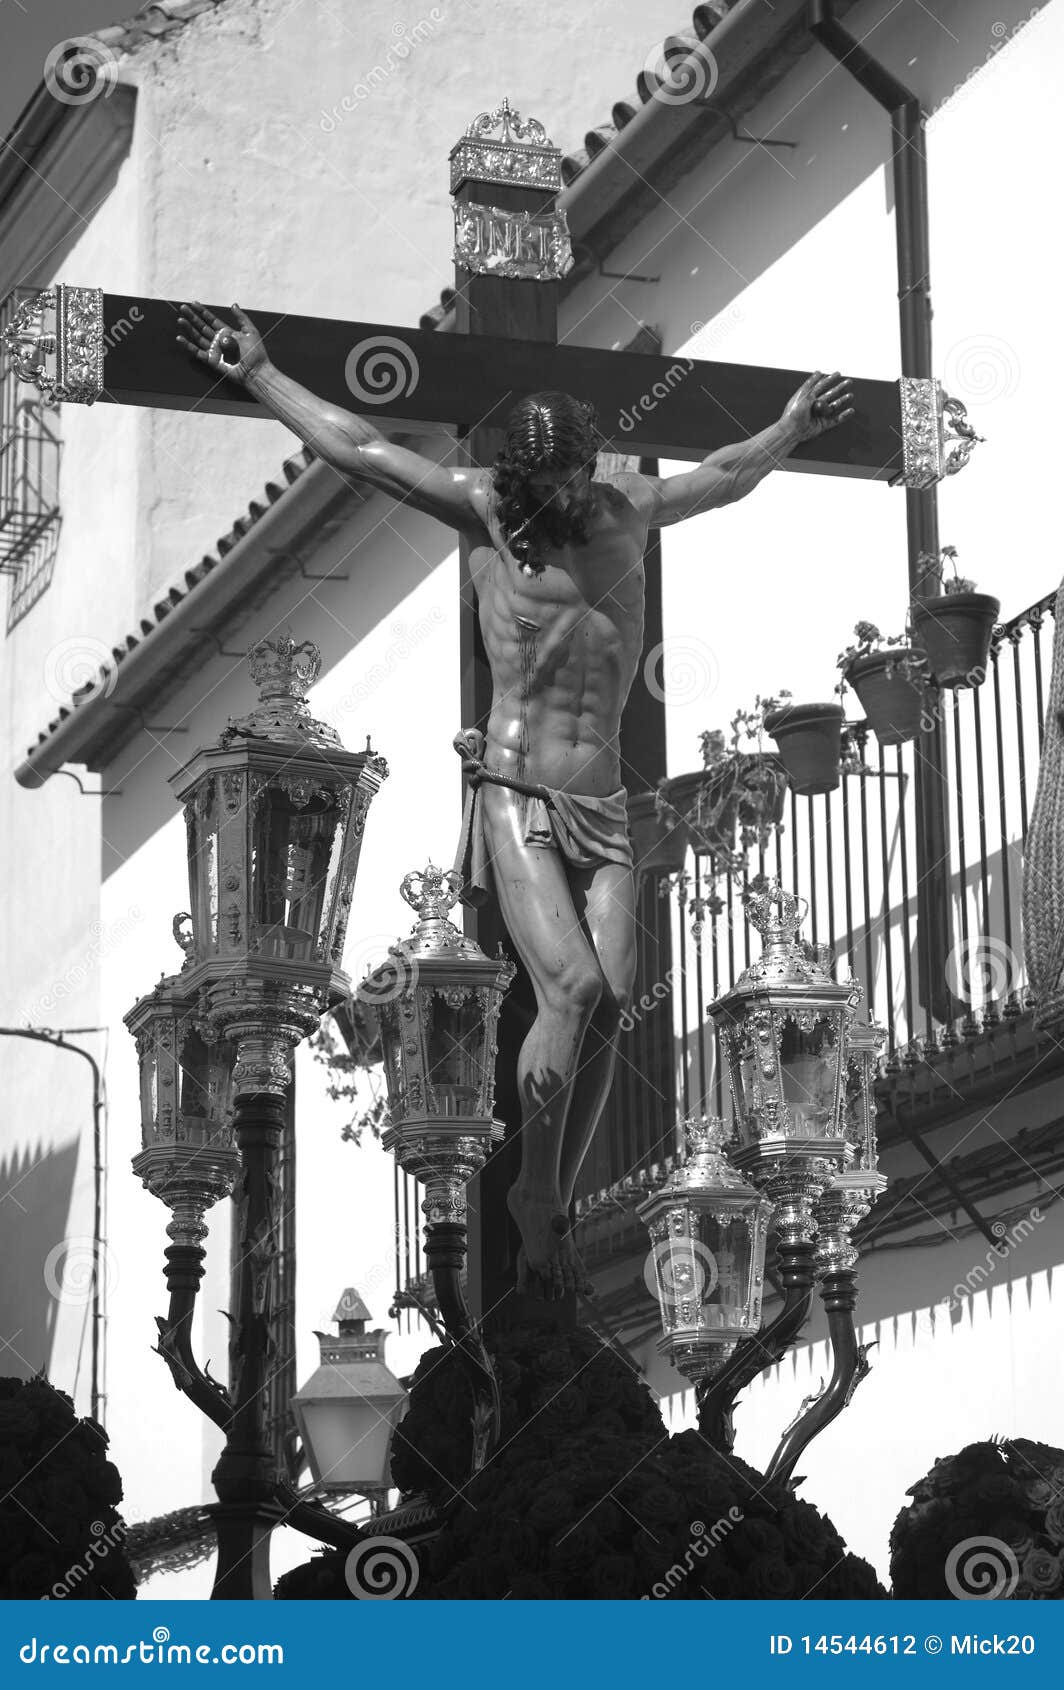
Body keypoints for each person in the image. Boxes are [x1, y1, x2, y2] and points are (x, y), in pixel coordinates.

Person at [177, 301, 853, 1299]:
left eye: (559, 483)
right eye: (531, 487)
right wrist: (263, 374)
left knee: (612, 1000)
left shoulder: (628, 507)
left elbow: (723, 474)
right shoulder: (485, 509)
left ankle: (553, 1194)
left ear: (586, 466)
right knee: (569, 986)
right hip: (517, 792)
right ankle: (533, 1196)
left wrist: (790, 426)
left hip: (603, 804)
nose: (543, 502)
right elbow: (360, 447)